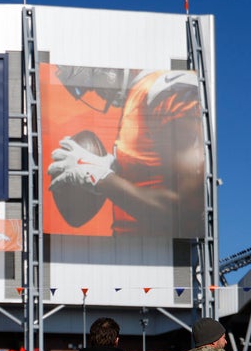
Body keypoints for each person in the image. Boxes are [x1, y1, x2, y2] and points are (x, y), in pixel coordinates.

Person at [47, 69, 204, 237]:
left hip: (160, 254)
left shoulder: (166, 90)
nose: (97, 93)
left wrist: (100, 179)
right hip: (133, 249)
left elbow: (185, 212)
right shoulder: (137, 95)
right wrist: (117, 169)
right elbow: (152, 175)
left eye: (92, 85)